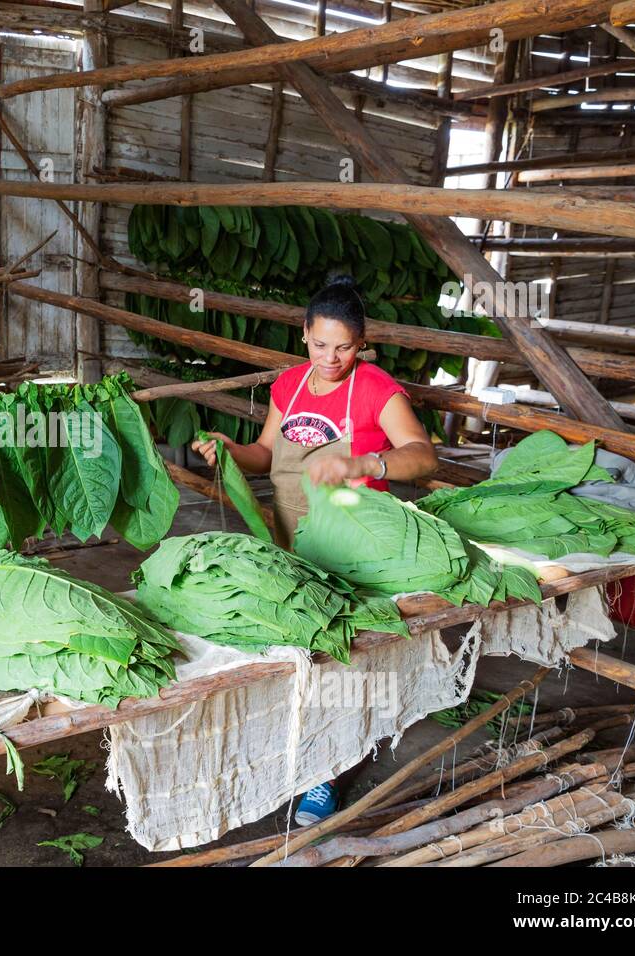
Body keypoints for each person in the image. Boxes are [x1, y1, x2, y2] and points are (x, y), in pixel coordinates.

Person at [190, 273, 438, 825]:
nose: (332, 357)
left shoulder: (376, 387)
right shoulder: (290, 386)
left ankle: (322, 773)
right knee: (289, 651)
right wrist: (229, 449)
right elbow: (263, 454)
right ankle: (290, 752)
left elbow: (423, 456)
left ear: (362, 343)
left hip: (350, 547)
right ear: (304, 334)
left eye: (345, 347)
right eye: (321, 344)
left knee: (333, 659)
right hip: (288, 538)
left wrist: (365, 464)